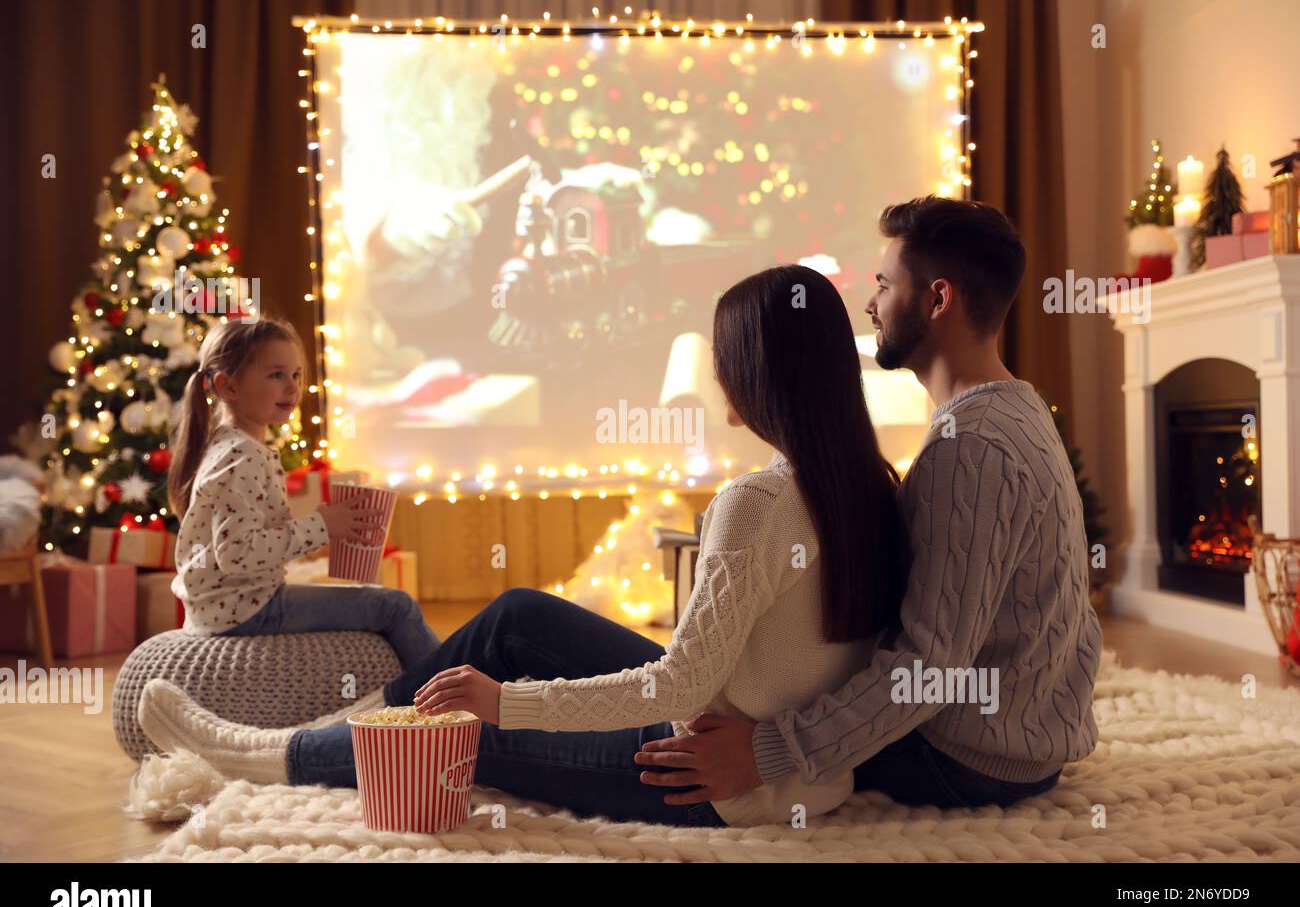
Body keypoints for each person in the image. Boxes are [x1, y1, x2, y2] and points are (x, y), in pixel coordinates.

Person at [137, 264, 912, 827]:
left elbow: (675, 690)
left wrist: (504, 702)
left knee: (466, 733)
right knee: (515, 619)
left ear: (752, 372)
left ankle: (274, 756)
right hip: (795, 769)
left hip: (711, 778)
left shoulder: (757, 502)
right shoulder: (871, 485)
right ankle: (349, 728)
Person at [634, 196, 1102, 809]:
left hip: (960, 760)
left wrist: (765, 751)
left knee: (666, 716)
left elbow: (929, 666)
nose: (871, 304)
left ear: (938, 300)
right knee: (680, 675)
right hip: (1019, 746)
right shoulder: (1020, 407)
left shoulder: (974, 450)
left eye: (884, 285)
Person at [165, 314, 440, 671]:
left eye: (295, 375)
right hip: (244, 610)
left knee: (377, 600)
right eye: (276, 375)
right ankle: (452, 694)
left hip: (232, 605)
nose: (292, 387)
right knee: (395, 606)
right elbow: (237, 554)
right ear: (228, 387)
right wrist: (322, 525)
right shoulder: (240, 457)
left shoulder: (233, 446)